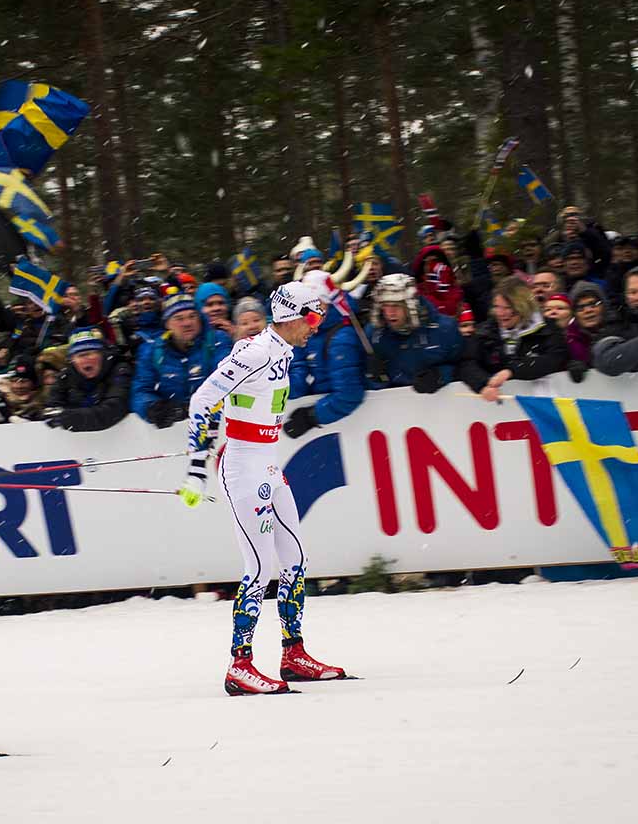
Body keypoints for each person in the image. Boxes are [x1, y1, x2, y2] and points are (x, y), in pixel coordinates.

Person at [178, 281, 348, 695]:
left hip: (269, 466)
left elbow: (234, 401)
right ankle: (239, 665)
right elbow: (202, 400)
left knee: (295, 561)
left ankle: (293, 654)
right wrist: (197, 470)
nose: (316, 326)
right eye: (313, 317)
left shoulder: (281, 350)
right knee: (258, 568)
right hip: (243, 470)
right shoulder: (256, 352)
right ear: (292, 316)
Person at [282, 271, 366, 438]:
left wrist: (311, 417)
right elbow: (300, 380)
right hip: (330, 428)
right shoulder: (307, 332)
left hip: (350, 427)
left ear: (327, 303)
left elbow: (349, 395)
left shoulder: (341, 339)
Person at [458, 277, 569, 401]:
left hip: (543, 400)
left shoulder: (547, 328)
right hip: (497, 406)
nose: (501, 313)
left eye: (508, 308)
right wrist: (483, 384)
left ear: (523, 307)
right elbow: (467, 363)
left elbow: (554, 358)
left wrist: (512, 371)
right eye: (497, 306)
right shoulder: (485, 332)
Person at [132, 293, 233, 427]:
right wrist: (153, 408)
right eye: (179, 318)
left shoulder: (218, 341)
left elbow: (227, 380)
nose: (187, 323)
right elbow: (141, 390)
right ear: (167, 324)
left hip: (216, 423)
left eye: (192, 316)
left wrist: (198, 405)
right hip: (172, 432)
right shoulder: (151, 351)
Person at [366, 274, 463, 392]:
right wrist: (373, 378)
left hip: (438, 399)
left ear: (411, 305)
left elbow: (463, 364)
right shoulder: (373, 335)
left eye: (396, 306)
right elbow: (359, 378)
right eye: (385, 305)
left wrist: (440, 375)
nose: (390, 312)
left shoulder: (444, 328)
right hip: (394, 399)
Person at [43, 328, 132, 432]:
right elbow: (51, 409)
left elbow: (114, 409)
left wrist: (70, 418)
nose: (85, 359)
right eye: (79, 355)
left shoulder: (120, 370)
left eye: (90, 353)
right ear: (72, 360)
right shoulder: (65, 377)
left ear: (103, 354)